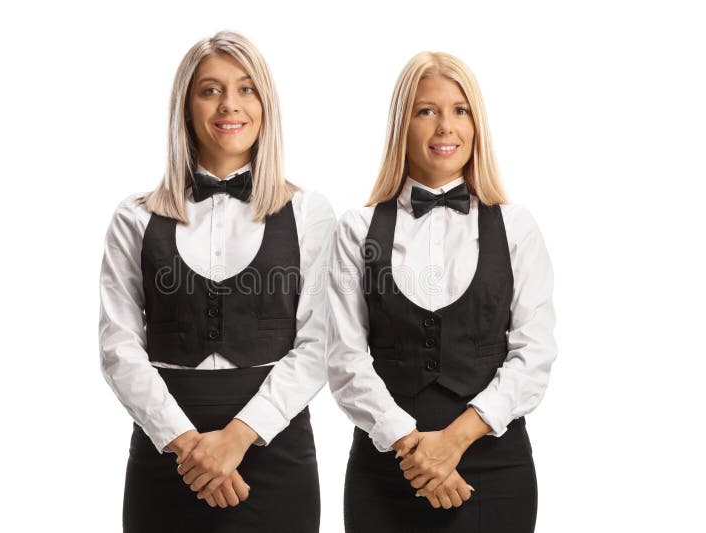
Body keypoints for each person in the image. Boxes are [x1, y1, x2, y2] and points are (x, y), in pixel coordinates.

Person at [98, 30, 335, 533]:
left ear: (265, 104)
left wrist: (238, 437)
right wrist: (186, 443)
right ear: (186, 106)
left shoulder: (309, 213)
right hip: (168, 451)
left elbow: (320, 342)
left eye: (247, 89)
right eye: (210, 90)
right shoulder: (133, 218)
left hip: (274, 448)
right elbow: (118, 346)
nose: (230, 104)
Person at [326, 51, 557, 532]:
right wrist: (411, 446)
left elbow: (533, 356)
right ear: (401, 125)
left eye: (460, 110)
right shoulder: (356, 228)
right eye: (426, 110)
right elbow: (345, 360)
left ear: (477, 124)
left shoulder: (516, 228)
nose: (445, 126)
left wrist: (453, 441)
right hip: (387, 468)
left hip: (495, 467)